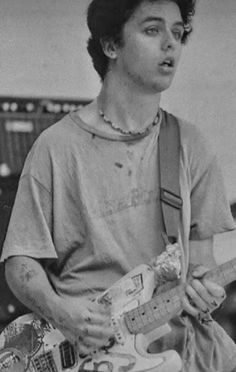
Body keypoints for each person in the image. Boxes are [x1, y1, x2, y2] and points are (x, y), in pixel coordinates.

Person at [1, 0, 236, 370]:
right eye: (152, 29)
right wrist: (62, 313)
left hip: (172, 349)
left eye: (177, 32)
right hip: (81, 352)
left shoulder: (191, 145)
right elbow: (20, 263)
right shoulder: (56, 146)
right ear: (111, 45)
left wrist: (206, 291)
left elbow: (200, 268)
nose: (171, 44)